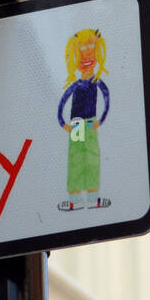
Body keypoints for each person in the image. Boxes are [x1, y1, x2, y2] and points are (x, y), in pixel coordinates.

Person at [57, 29, 109, 210]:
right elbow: (62, 103)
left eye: (91, 48)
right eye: (82, 49)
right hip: (77, 125)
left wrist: (100, 120)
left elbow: (106, 98)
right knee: (77, 159)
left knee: (92, 158)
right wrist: (63, 123)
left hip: (89, 123)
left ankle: (93, 199)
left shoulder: (96, 82)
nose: (87, 54)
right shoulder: (76, 84)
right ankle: (75, 201)